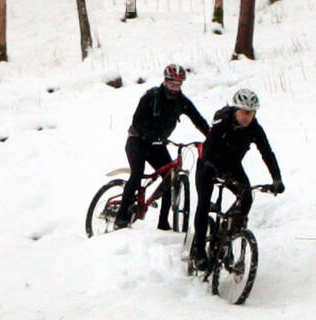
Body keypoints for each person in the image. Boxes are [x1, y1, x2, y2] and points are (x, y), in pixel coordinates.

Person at [189, 88, 283, 270]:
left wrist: (276, 179)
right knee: (204, 204)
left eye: (252, 113)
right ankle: (200, 252)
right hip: (209, 165)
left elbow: (267, 153)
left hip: (232, 165)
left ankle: (231, 233)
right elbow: (208, 148)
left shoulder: (255, 128)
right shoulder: (223, 123)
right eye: (244, 112)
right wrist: (211, 166)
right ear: (236, 110)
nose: (248, 117)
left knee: (247, 196)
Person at [117, 64, 210, 230]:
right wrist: (148, 135)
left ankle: (163, 222)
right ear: (165, 81)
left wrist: (211, 137)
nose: (175, 88)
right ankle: (121, 216)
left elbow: (198, 120)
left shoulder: (182, 102)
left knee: (169, 178)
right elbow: (137, 121)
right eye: (172, 84)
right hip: (137, 141)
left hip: (157, 144)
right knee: (137, 174)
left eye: (178, 84)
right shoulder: (151, 96)